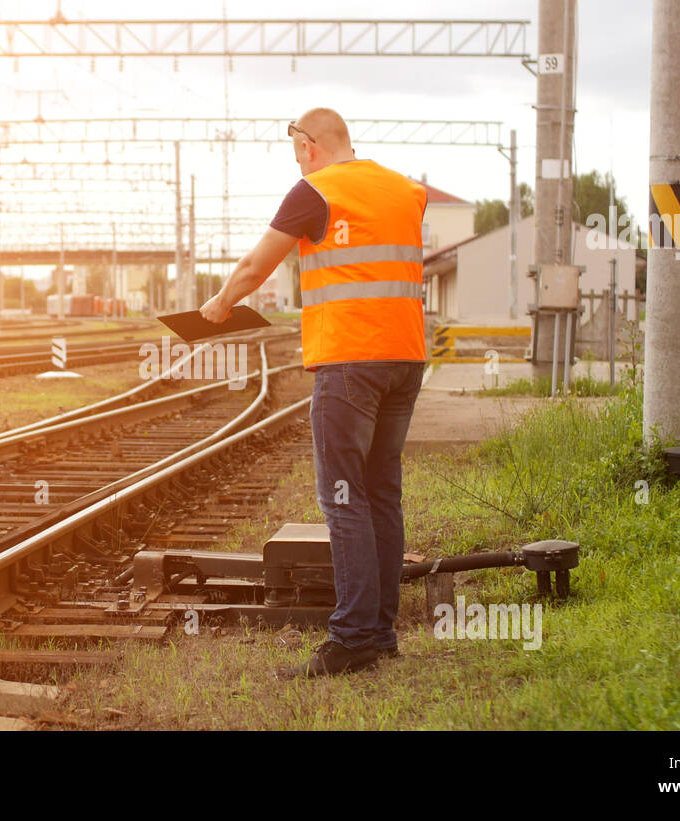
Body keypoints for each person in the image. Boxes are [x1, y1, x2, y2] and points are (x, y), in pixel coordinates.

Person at [199, 107, 428, 679]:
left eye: (295, 147)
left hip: (350, 362)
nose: (296, 157)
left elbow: (256, 266)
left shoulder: (314, 192)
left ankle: (352, 639)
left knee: (345, 499)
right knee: (380, 495)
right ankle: (380, 632)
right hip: (405, 359)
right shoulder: (406, 191)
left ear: (308, 145)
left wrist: (219, 305)